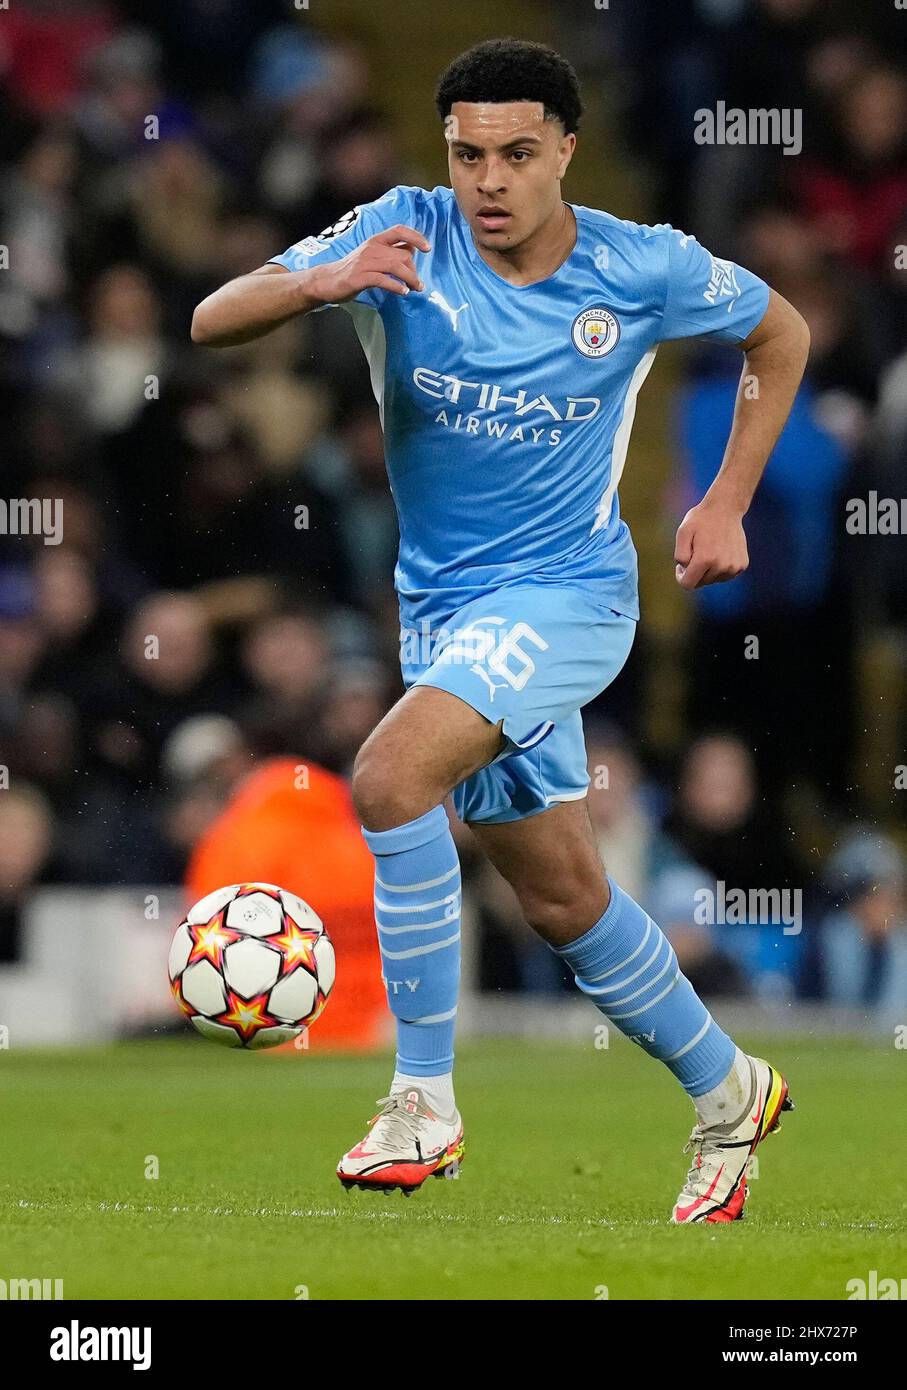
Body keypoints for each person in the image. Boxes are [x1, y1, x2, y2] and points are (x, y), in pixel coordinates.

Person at [191, 38, 808, 1224]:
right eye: (468, 153)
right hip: (444, 616)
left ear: (566, 151)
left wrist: (725, 496)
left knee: (386, 778)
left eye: (518, 154)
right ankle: (729, 1089)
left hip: (571, 595)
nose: (488, 180)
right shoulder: (401, 231)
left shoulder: (639, 267)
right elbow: (216, 316)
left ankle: (421, 1096)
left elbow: (777, 333)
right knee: (566, 898)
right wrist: (315, 284)